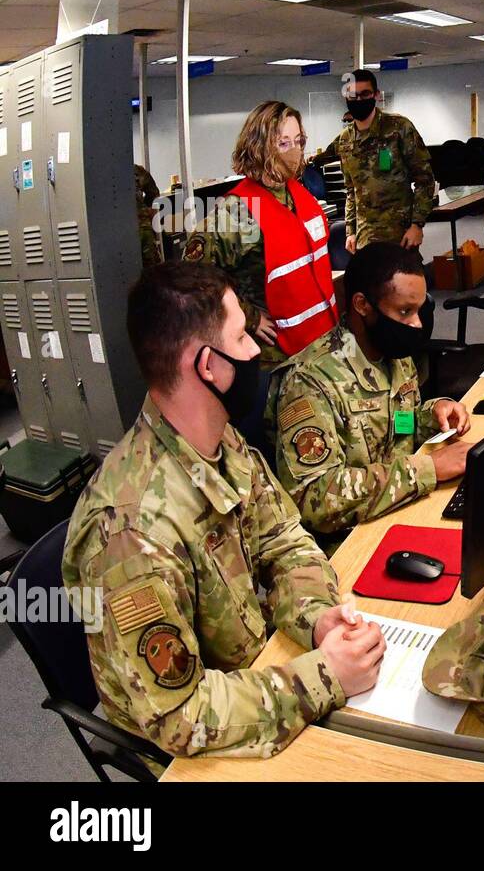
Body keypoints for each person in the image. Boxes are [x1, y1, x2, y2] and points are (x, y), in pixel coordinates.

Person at [62, 262, 386, 762]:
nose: (257, 350)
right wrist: (324, 677)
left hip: (254, 676)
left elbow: (285, 540)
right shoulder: (131, 534)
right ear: (207, 365)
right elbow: (180, 717)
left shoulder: (219, 440)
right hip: (192, 748)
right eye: (242, 337)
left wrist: (317, 618)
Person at [275, 243, 472, 542]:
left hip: (401, 507)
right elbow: (314, 498)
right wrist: (426, 469)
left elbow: (399, 426)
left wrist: (433, 414)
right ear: (362, 305)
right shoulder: (309, 381)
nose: (417, 324)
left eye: (419, 310)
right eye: (405, 311)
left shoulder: (392, 351)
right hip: (351, 538)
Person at [183, 101, 339, 370]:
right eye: (283, 144)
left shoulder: (298, 195)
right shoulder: (237, 212)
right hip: (279, 357)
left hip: (320, 343)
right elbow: (191, 281)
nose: (295, 151)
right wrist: (250, 317)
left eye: (298, 141)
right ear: (260, 147)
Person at [314, 69, 435, 252]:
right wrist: (350, 232)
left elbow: (424, 179)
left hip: (400, 235)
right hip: (364, 237)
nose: (359, 100)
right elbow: (350, 190)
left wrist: (417, 225)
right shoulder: (345, 141)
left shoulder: (399, 128)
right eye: (353, 96)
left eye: (365, 94)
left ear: (376, 95)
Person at [135, 164, 163, 268]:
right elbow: (154, 194)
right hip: (142, 225)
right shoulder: (136, 170)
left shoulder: (137, 171)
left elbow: (153, 195)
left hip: (142, 226)